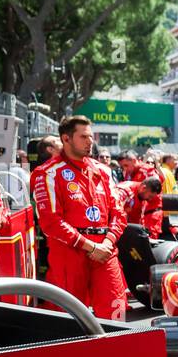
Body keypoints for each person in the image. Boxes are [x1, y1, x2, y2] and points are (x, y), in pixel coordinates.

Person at [31, 115, 128, 321]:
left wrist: (107, 243)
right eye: (83, 136)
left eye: (91, 136)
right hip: (69, 252)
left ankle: (112, 352)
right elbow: (50, 222)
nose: (90, 141)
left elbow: (119, 213)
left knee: (115, 311)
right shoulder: (47, 173)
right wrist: (91, 247)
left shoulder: (103, 171)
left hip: (106, 250)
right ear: (66, 139)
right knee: (69, 319)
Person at [120, 175, 163, 240]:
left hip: (127, 230)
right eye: (150, 196)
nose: (150, 199)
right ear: (143, 188)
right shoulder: (125, 190)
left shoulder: (143, 197)